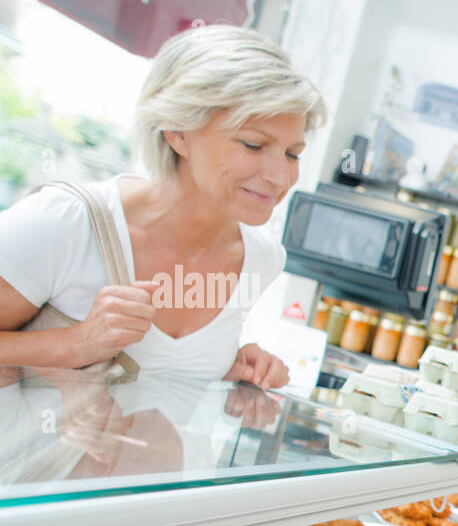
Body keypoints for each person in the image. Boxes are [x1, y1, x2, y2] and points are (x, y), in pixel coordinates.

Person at [0, 24, 326, 387]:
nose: (280, 177)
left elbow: (163, 377)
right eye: (252, 145)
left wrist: (230, 372)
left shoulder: (262, 259)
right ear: (177, 133)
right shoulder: (65, 221)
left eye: (292, 154)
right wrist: (73, 345)